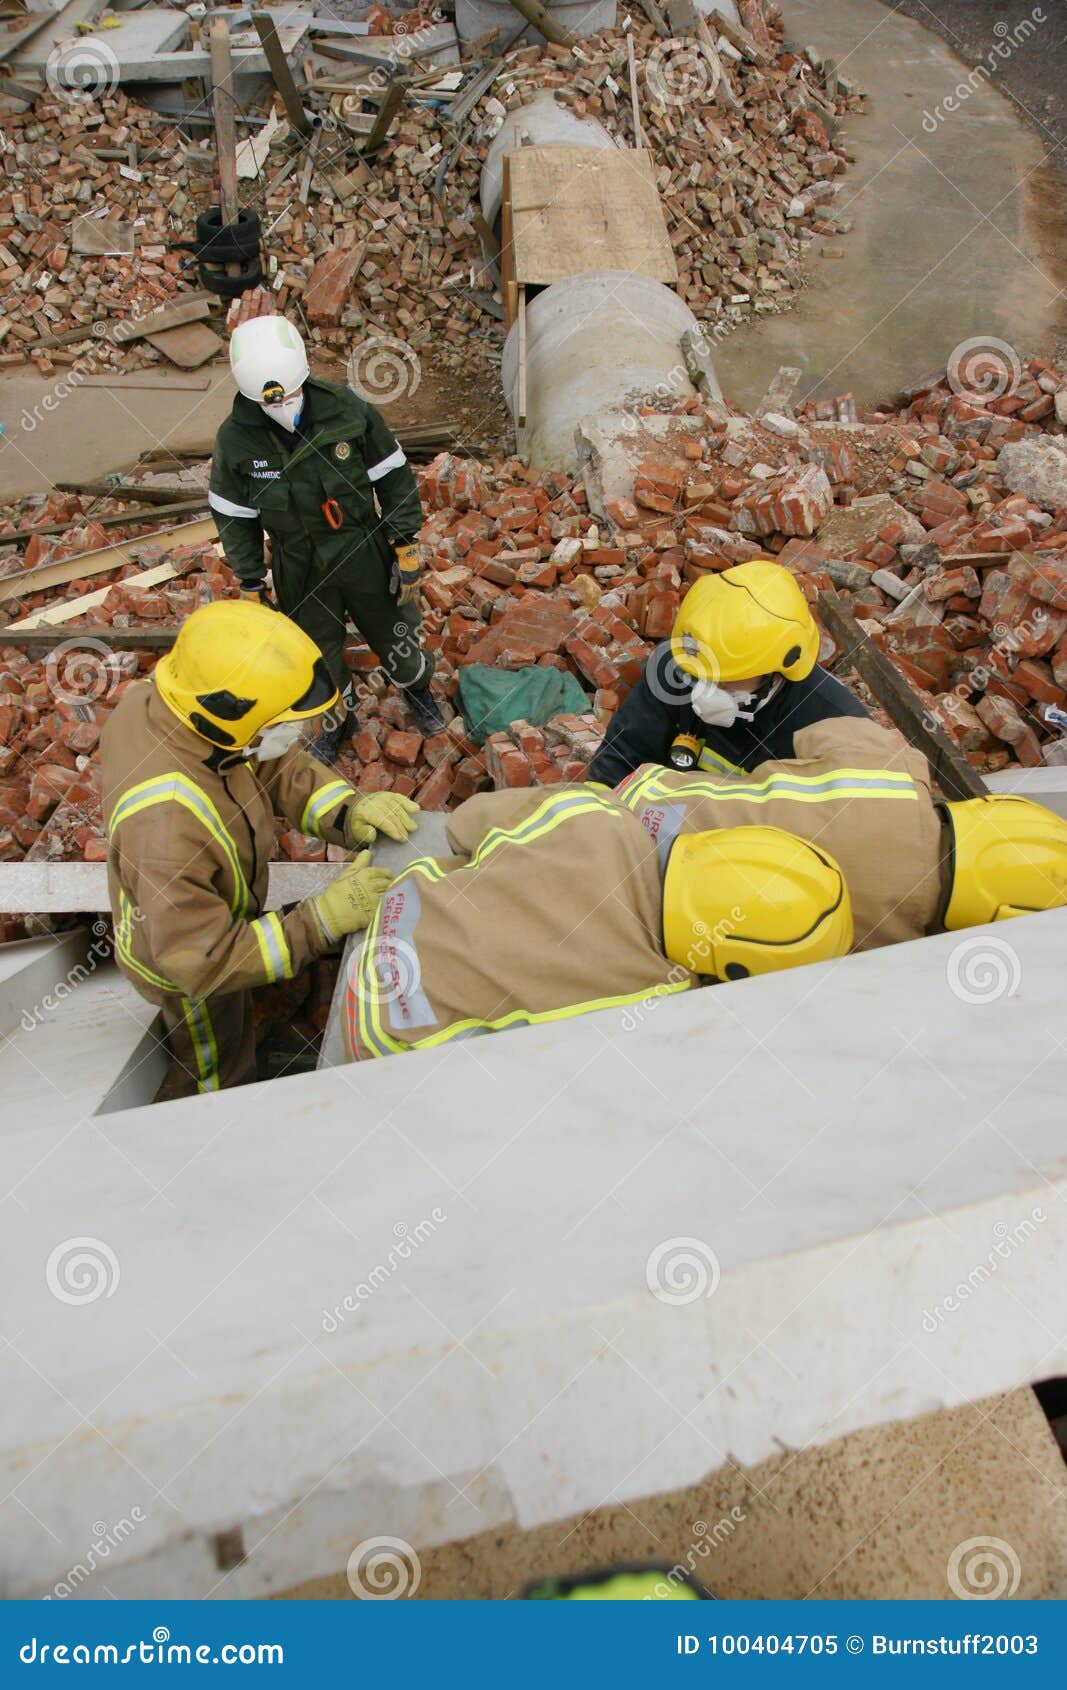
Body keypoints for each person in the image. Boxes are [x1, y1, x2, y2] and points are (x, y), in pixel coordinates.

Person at [101, 599, 420, 1095]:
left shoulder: (176, 706)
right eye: (280, 724)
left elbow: (265, 759)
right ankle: (214, 1123)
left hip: (196, 917)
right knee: (215, 1065)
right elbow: (205, 961)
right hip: (185, 962)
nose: (296, 734)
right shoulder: (166, 829)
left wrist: (346, 812)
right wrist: (322, 920)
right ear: (227, 719)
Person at [339, 783, 852, 1061]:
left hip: (390, 910)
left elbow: (464, 826)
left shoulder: (596, 810)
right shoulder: (659, 999)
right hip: (387, 1043)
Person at [208, 314, 444, 763]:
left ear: (302, 375)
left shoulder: (345, 410)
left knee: (396, 631)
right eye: (273, 401)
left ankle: (418, 691)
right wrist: (251, 580)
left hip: (361, 549)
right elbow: (233, 515)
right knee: (317, 653)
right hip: (299, 565)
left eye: (290, 394)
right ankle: (339, 719)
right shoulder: (236, 440)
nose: (283, 404)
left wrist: (404, 542)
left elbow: (392, 474)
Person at [614, 715, 1067, 949]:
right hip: (645, 911)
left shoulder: (893, 767)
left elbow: (814, 733)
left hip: (639, 797)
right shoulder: (895, 947)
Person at [587, 559, 867, 787]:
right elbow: (617, 763)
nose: (703, 690)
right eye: (699, 675)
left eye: (723, 680)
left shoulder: (832, 724)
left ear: (777, 671)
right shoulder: (679, 663)